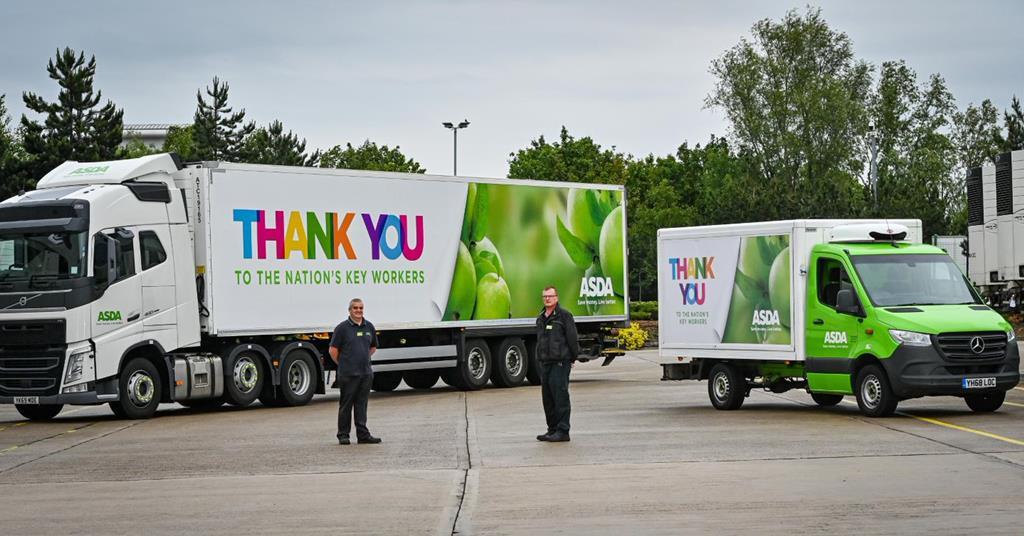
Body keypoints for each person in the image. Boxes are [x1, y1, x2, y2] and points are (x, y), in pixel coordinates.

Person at [329, 298, 382, 445]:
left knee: (361, 405)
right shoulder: (342, 328)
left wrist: (363, 359)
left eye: (361, 308)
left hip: (365, 374)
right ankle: (343, 435)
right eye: (355, 308)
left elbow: (373, 347)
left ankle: (363, 435)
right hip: (348, 374)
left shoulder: (369, 327)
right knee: (346, 405)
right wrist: (344, 363)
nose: (358, 311)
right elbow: (333, 350)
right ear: (349, 310)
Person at [535, 286, 579, 442]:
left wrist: (573, 357)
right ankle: (552, 429)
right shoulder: (541, 318)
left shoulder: (564, 316)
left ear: (557, 298)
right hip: (546, 363)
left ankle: (563, 430)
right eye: (545, 296)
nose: (547, 299)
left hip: (560, 362)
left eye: (550, 296)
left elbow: (572, 339)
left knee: (560, 396)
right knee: (548, 398)